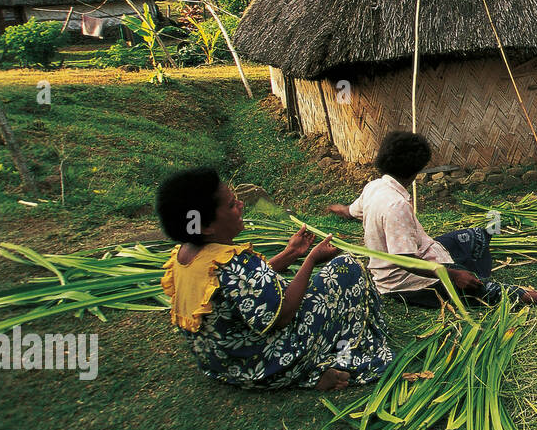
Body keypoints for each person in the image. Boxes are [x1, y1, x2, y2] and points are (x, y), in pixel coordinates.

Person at [157, 166, 392, 391]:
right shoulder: (235, 263)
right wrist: (311, 260)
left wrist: (292, 253)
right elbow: (283, 314)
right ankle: (329, 361)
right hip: (271, 367)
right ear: (206, 226)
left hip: (226, 367)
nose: (240, 204)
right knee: (346, 267)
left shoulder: (186, 258)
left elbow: (247, 288)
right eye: (231, 205)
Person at [326, 131, 537, 306]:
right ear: (417, 169)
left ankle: (470, 267)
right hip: (409, 283)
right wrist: (453, 275)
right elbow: (405, 261)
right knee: (484, 289)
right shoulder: (396, 205)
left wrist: (339, 209)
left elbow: (353, 210)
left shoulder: (375, 187)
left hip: (426, 251)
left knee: (477, 234)